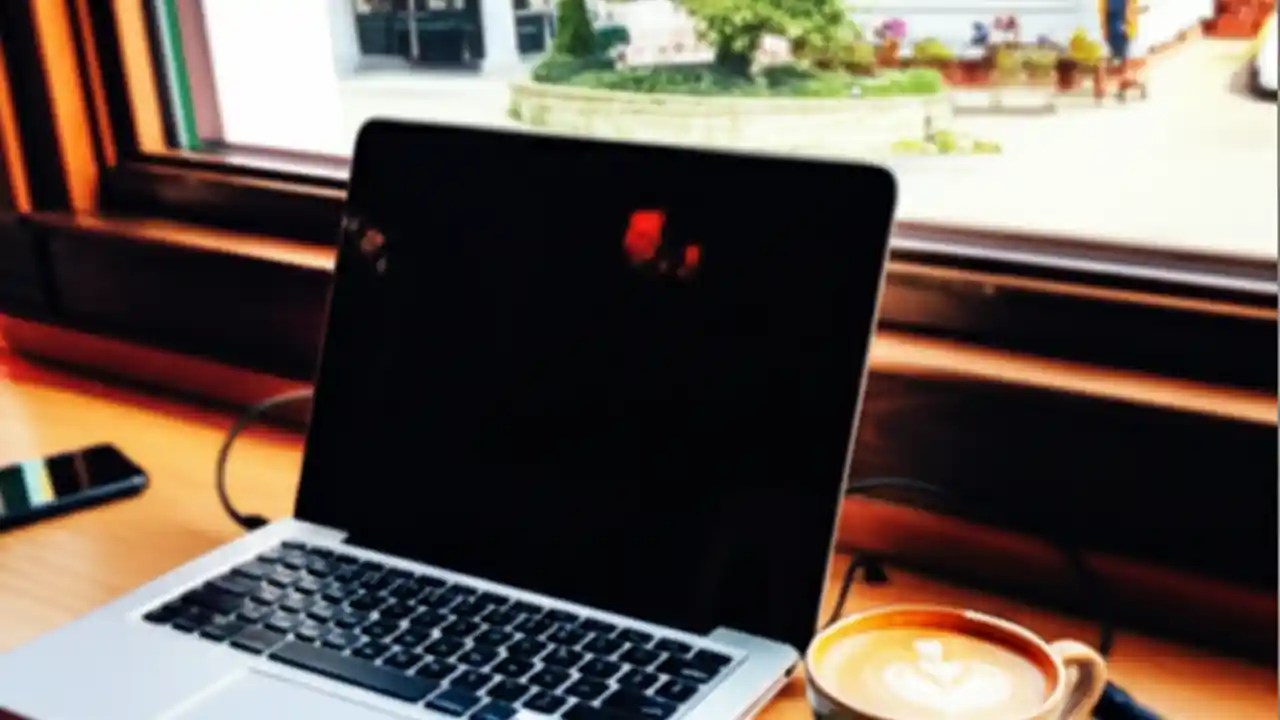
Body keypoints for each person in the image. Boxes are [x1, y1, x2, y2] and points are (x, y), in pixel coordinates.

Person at [1100, 0, 1147, 100]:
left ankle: (1129, 89)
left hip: (1122, 33)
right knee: (1119, 63)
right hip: (1112, 33)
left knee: (1122, 64)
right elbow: (1104, 14)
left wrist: (1140, 10)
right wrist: (1105, 31)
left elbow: (1132, 11)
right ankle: (1126, 89)